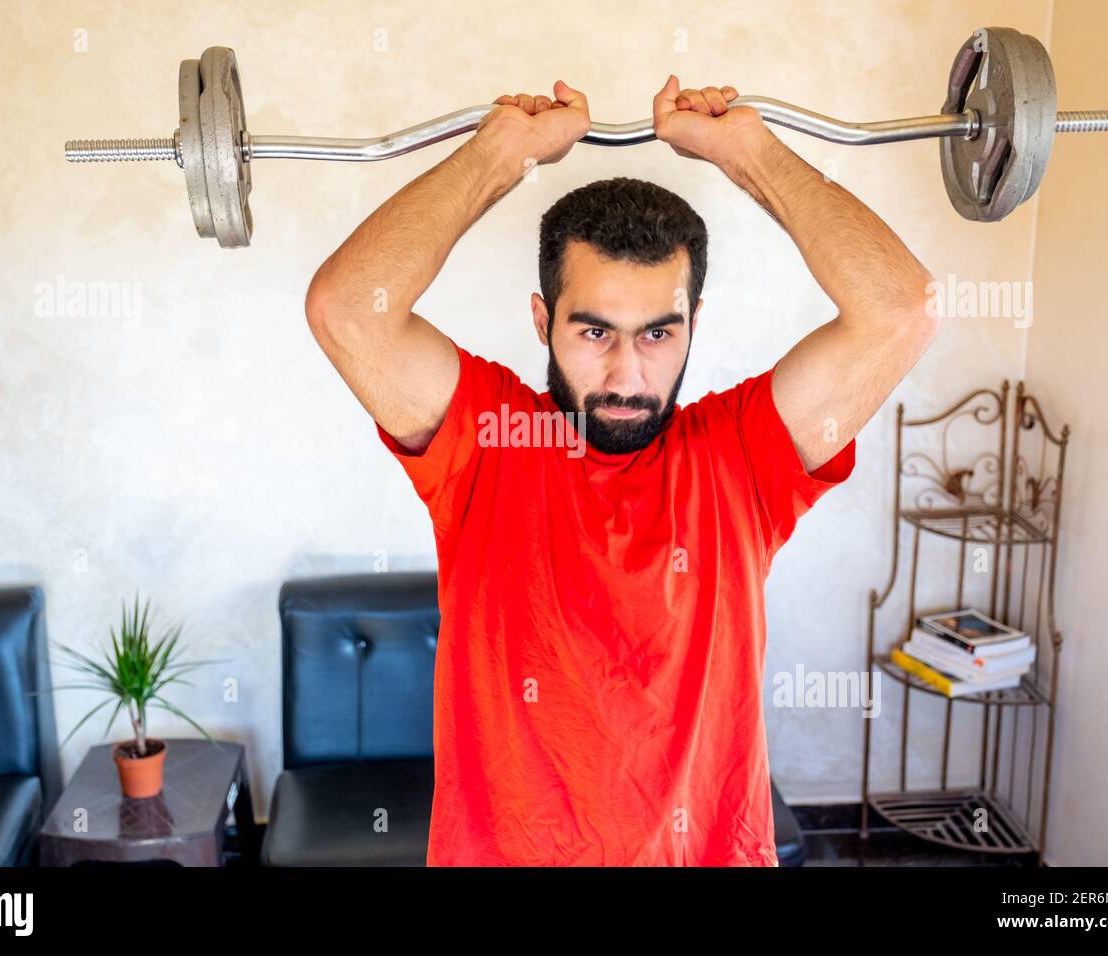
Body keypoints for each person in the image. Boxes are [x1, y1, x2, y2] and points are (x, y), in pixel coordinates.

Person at [304, 75, 940, 865]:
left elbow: (901, 308)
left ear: (693, 326)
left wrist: (747, 152)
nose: (627, 377)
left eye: (658, 335)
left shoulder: (741, 457)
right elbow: (347, 308)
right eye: (594, 332)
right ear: (542, 319)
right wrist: (501, 154)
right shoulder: (489, 442)